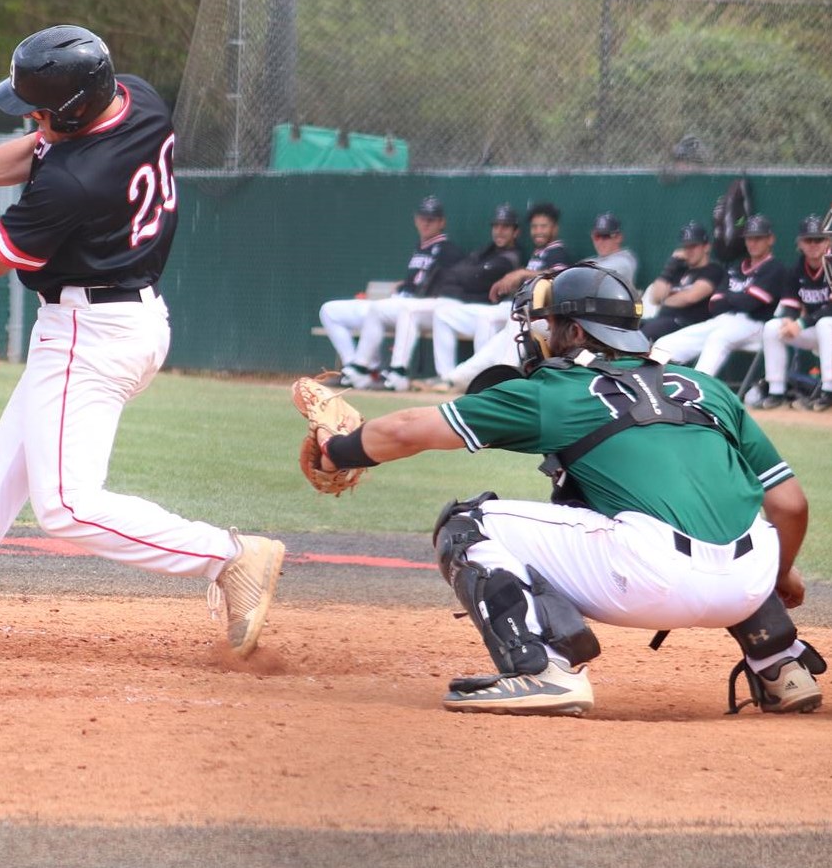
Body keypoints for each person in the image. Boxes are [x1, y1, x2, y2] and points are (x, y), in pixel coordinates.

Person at [0, 24, 284, 657]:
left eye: (40, 108)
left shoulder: (75, 183)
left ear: (75, 106)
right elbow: (35, 145)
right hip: (121, 320)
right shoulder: (135, 97)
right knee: (0, 478)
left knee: (65, 506)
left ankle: (228, 557)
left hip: (89, 334)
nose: (32, 118)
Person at [309, 264, 819, 716]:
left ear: (574, 330)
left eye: (549, 324)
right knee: (727, 514)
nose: (541, 334)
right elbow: (789, 504)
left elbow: (406, 429)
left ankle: (542, 670)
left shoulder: (555, 392)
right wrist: (777, 575)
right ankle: (780, 665)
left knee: (467, 524)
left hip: (649, 580)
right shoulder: (706, 387)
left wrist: (337, 450)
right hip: (748, 584)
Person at [318, 197, 462, 389]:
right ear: (416, 219)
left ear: (441, 222)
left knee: (379, 308)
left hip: (418, 308)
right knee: (329, 311)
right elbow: (419, 280)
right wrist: (405, 284)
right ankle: (353, 365)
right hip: (396, 304)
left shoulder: (448, 250)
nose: (426, 222)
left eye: (432, 219)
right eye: (423, 217)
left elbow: (445, 286)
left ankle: (366, 370)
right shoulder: (420, 247)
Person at [443, 202, 572, 390]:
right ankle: (457, 379)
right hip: (523, 312)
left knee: (510, 322)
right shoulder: (539, 253)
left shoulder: (557, 251)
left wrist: (521, 273)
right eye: (535, 227)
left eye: (543, 226)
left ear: (555, 228)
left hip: (543, 318)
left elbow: (560, 276)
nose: (538, 231)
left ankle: (503, 382)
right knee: (495, 345)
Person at [652, 214, 793, 377]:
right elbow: (716, 304)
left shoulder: (775, 268)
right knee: (664, 344)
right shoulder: (737, 267)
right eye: (749, 238)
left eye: (758, 238)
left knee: (718, 338)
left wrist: (731, 297)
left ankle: (699, 390)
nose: (753, 243)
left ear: (770, 239)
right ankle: (656, 387)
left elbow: (751, 304)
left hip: (757, 324)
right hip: (725, 320)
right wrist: (740, 296)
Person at [428, 203, 524, 386]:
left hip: (499, 313)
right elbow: (458, 273)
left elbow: (475, 277)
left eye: (505, 226)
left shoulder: (512, 258)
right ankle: (447, 378)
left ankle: (484, 381)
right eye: (496, 226)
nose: (499, 231)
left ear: (516, 231)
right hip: (481, 309)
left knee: (486, 318)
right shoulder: (486, 251)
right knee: (442, 314)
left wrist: (461, 282)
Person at [754, 215, 832, 411]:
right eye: (808, 240)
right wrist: (789, 320)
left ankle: (829, 391)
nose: (813, 244)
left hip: (826, 328)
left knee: (826, 323)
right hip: (815, 331)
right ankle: (776, 391)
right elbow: (790, 304)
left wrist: (801, 323)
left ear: (828, 242)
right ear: (800, 243)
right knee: (773, 327)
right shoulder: (796, 270)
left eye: (819, 239)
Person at [640, 221, 725, 342]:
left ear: (706, 247)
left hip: (687, 324)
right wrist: (669, 268)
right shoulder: (679, 269)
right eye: (686, 246)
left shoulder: (713, 270)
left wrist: (665, 299)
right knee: (628, 331)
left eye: (694, 246)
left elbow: (690, 297)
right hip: (663, 320)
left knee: (643, 336)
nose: (689, 251)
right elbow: (655, 298)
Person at [582, 212, 640, 295]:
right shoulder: (593, 260)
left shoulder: (625, 261)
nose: (601, 242)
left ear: (619, 237)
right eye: (597, 236)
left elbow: (595, 275)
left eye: (606, 236)